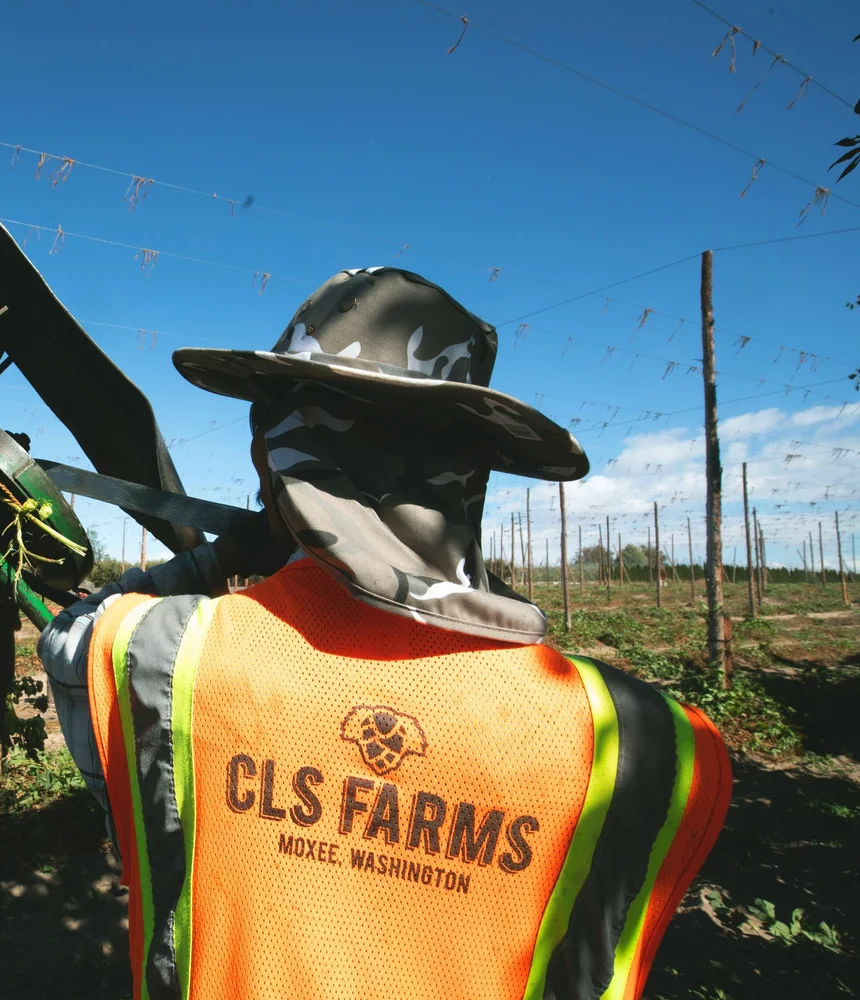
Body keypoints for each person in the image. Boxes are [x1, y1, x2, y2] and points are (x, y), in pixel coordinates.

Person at [38, 267, 731, 1000]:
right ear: (471, 471)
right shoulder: (658, 748)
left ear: (270, 453)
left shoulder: (162, 657)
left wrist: (225, 556)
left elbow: (70, 638)